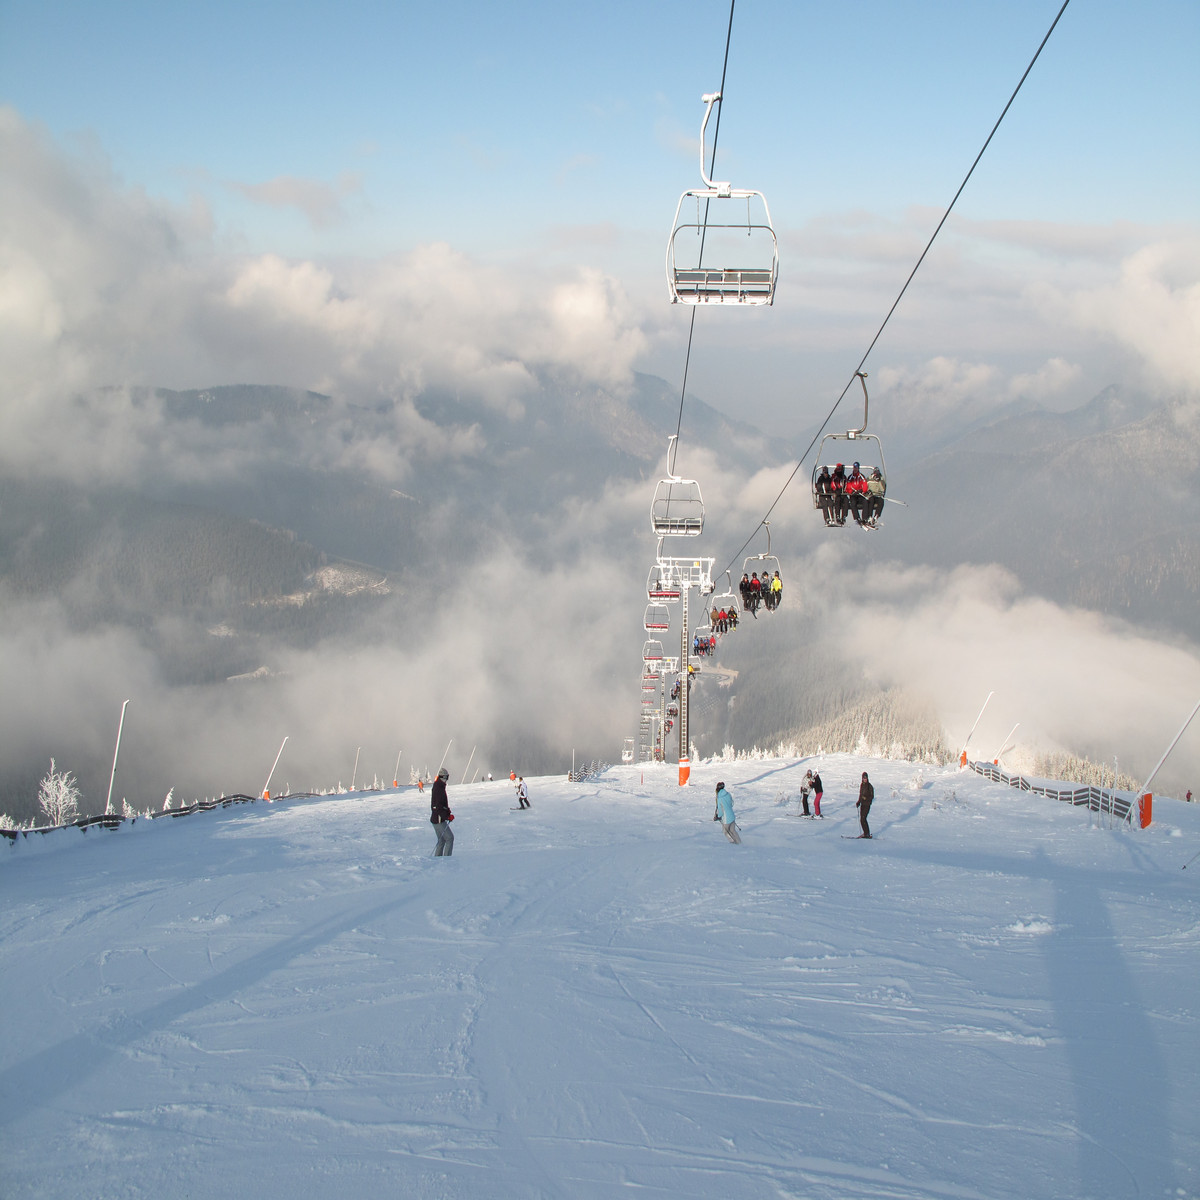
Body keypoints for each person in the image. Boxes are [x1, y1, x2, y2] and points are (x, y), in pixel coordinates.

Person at [431, 767, 454, 856]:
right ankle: (446, 860)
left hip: (436, 818)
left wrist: (447, 812)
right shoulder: (439, 788)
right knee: (449, 838)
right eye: (446, 777)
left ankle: (437, 860)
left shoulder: (439, 786)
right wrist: (447, 816)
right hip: (438, 819)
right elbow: (438, 806)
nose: (446, 780)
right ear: (442, 777)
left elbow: (441, 805)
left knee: (441, 840)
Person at [856, 771, 874, 839]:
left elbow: (872, 796)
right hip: (862, 804)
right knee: (861, 820)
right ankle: (865, 833)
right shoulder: (862, 785)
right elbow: (861, 795)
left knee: (863, 819)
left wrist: (866, 798)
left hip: (867, 804)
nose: (865, 779)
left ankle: (867, 834)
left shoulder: (869, 786)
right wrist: (858, 802)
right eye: (864, 778)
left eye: (866, 778)